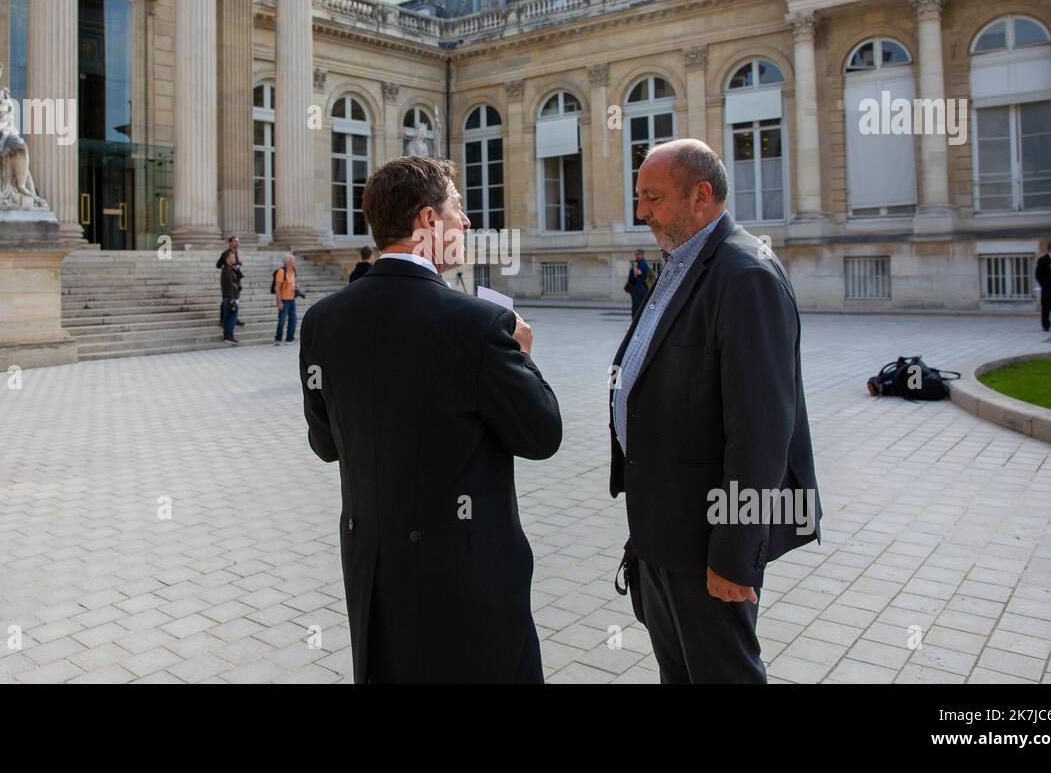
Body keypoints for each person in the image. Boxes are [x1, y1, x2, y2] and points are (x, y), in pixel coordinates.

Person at [298, 156, 562, 683]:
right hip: (466, 578)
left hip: (374, 571)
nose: (465, 222)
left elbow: (327, 444)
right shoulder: (479, 322)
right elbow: (542, 435)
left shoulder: (322, 320)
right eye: (457, 208)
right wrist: (524, 356)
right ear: (426, 221)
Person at [608, 139, 821, 683]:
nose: (641, 212)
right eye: (640, 198)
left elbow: (761, 433)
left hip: (707, 543)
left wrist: (734, 554)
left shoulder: (745, 275)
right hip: (662, 528)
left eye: (652, 198)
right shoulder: (682, 261)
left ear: (700, 195)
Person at [216, 237, 244, 330]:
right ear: (230, 243)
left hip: (236, 278)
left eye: (238, 241)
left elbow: (236, 267)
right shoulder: (226, 253)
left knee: (234, 299)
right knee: (226, 300)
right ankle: (223, 319)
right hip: (229, 278)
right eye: (236, 241)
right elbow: (218, 265)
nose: (238, 243)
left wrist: (238, 265)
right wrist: (228, 266)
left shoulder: (236, 253)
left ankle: (234, 318)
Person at [273, 254, 299, 345]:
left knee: (293, 319)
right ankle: (278, 339)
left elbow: (292, 283)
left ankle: (290, 339)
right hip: (284, 300)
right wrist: (279, 301)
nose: (295, 262)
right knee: (282, 320)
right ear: (288, 262)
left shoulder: (293, 271)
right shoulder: (281, 271)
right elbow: (277, 287)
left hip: (292, 299)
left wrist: (296, 287)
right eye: (293, 260)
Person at [220, 256, 241, 344]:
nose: (235, 259)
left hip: (228, 297)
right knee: (232, 318)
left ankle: (227, 336)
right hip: (230, 297)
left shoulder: (229, 269)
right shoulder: (228, 270)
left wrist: (237, 270)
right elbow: (229, 285)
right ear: (227, 259)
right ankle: (228, 336)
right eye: (232, 258)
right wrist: (232, 298)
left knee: (228, 317)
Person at [626, 248, 650, 317]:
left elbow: (638, 273)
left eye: (637, 254)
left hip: (640, 288)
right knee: (636, 306)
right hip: (636, 288)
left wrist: (635, 267)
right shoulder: (637, 263)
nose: (635, 256)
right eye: (635, 255)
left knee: (638, 306)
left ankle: (637, 322)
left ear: (641, 255)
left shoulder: (642, 263)